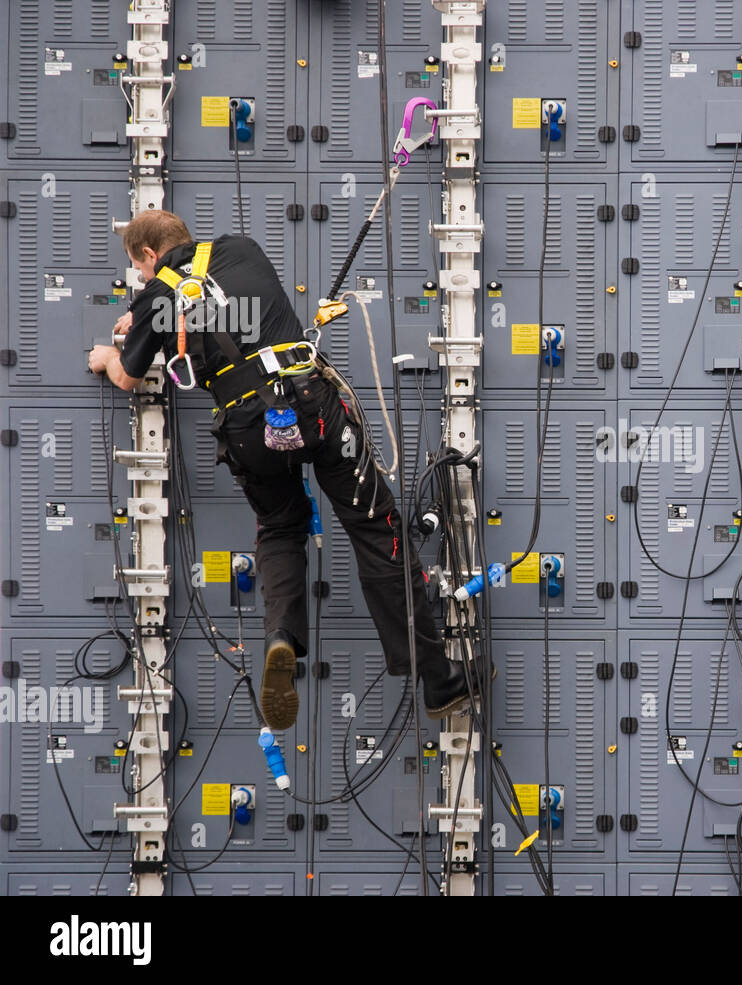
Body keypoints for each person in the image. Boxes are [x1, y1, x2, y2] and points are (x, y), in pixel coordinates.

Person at [88, 209, 470, 728]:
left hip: (248, 431)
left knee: (281, 529)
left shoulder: (158, 296)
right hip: (309, 404)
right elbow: (227, 307)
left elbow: (130, 375)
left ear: (151, 257)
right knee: (375, 530)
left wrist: (107, 355)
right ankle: (439, 679)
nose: (144, 280)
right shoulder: (240, 247)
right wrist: (151, 313)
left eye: (141, 269)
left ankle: (281, 639)